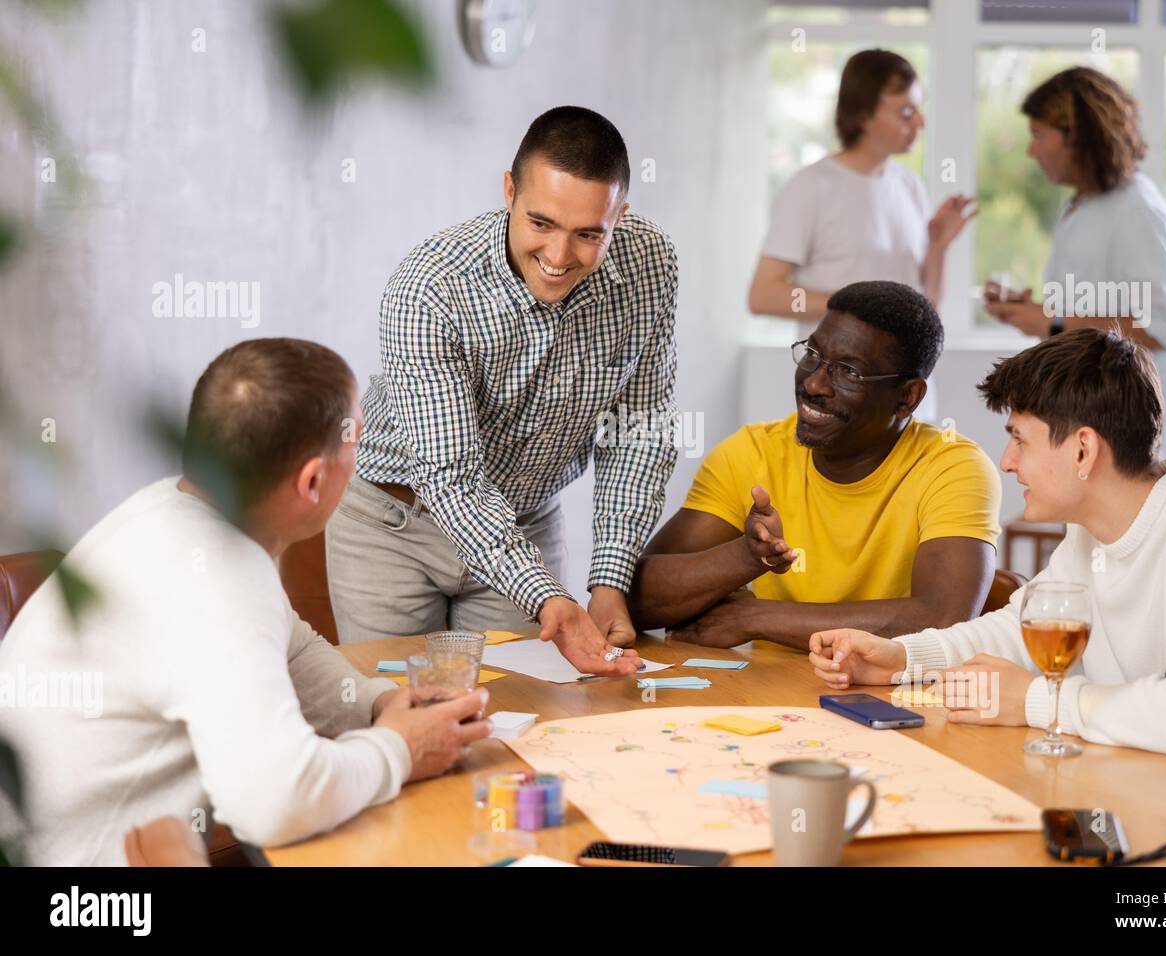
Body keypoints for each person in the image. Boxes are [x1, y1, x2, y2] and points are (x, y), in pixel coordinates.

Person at [0, 339, 492, 866]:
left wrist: (375, 703)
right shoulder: (218, 577)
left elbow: (288, 643)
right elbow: (273, 802)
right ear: (313, 481)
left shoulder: (177, 510)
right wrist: (400, 750)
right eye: (356, 441)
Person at [809, 329, 1166, 789]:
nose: (1006, 460)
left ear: (1083, 451)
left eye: (1020, 438)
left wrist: (1035, 700)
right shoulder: (1088, 539)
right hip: (1152, 798)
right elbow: (1015, 632)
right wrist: (902, 659)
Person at [327, 106, 680, 678]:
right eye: (541, 223)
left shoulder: (650, 263)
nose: (560, 257)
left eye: (589, 233)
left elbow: (638, 428)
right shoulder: (431, 286)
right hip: (395, 527)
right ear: (510, 190)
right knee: (395, 711)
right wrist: (548, 597)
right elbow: (451, 476)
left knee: (526, 713)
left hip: (523, 523)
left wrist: (611, 579)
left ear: (621, 215)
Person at [630, 281, 1001, 650]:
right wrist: (745, 557)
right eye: (812, 354)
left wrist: (755, 619)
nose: (813, 383)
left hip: (894, 700)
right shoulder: (751, 453)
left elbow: (942, 620)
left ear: (907, 398)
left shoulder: (953, 468)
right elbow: (636, 601)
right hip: (768, 698)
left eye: (849, 372)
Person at [748, 49, 976, 423]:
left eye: (918, 109)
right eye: (905, 112)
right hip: (840, 400)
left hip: (909, 404)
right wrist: (860, 312)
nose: (920, 122)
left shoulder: (910, 188)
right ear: (862, 115)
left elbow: (925, 305)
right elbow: (764, 294)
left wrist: (938, 246)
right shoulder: (811, 187)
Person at [984, 66, 1166, 457]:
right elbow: (1097, 304)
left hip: (1129, 447)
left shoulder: (1136, 211)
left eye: (1039, 135)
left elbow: (1160, 328)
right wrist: (1031, 311)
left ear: (1076, 138)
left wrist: (1054, 323)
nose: (1031, 149)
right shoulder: (1080, 203)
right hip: (1085, 431)